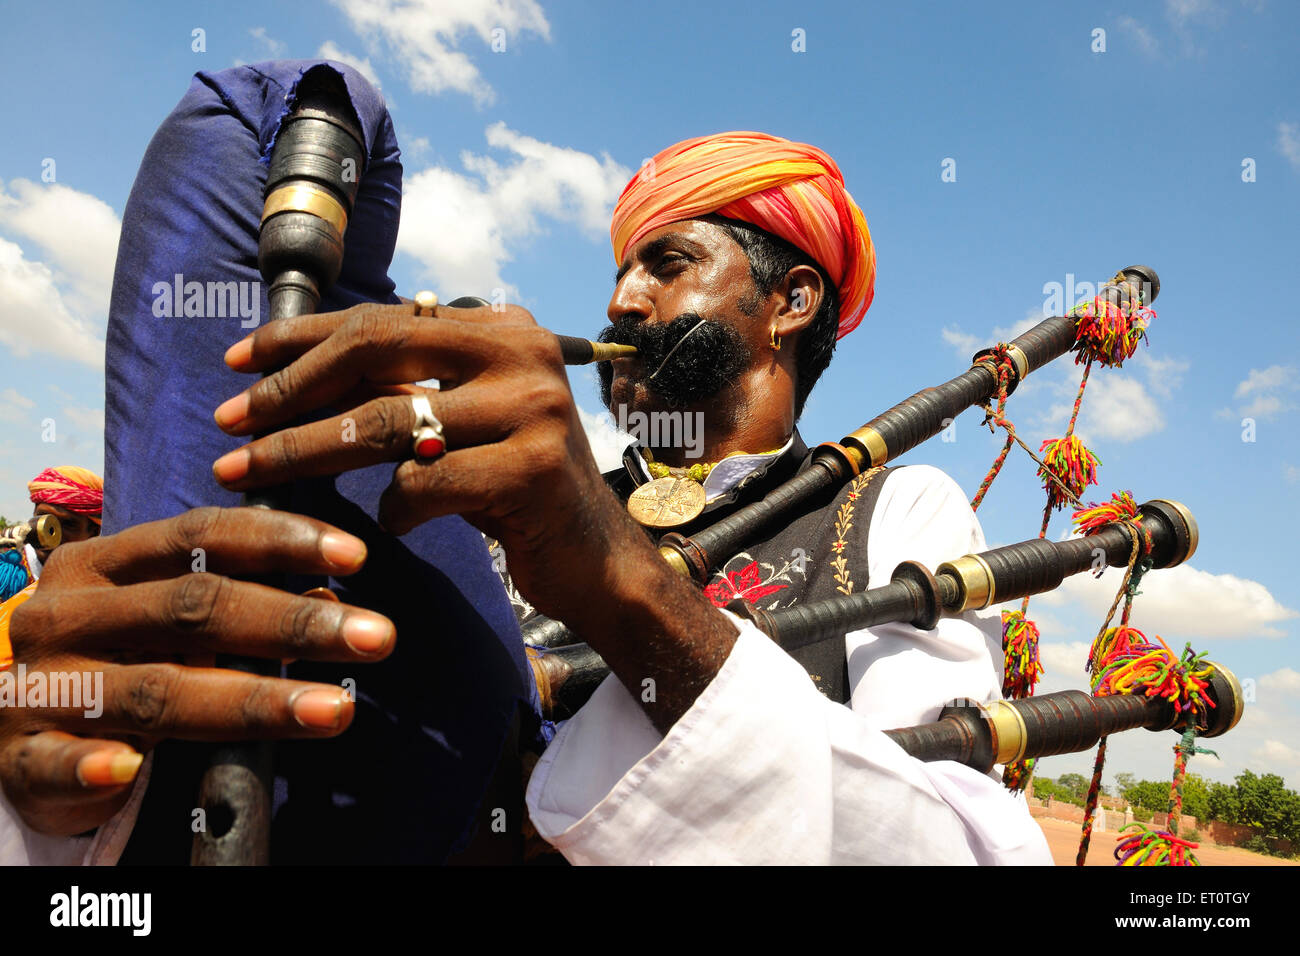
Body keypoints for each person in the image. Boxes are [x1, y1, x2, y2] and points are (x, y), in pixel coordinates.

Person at [0, 466, 103, 602]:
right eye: (43, 519)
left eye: (68, 524)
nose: (50, 533)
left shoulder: (102, 584)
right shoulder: (7, 570)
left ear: (93, 532)